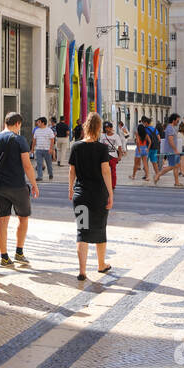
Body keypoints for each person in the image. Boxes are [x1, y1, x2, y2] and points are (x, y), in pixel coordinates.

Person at [0, 111, 38, 268]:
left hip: (0, 187)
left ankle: (4, 257)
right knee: (23, 218)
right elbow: (27, 165)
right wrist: (34, 184)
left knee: (2, 221)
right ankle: (19, 253)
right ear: (17, 124)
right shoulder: (19, 140)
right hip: (18, 186)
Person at [68, 112, 114, 281]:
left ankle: (82, 271)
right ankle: (101, 264)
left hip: (80, 195)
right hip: (98, 196)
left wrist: (70, 189)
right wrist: (110, 193)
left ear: (86, 127)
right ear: (99, 128)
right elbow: (106, 171)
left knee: (82, 231)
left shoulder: (76, 146)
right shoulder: (102, 148)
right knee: (100, 229)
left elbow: (71, 170)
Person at [154, 113, 183, 187]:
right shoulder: (170, 128)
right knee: (172, 166)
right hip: (171, 151)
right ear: (173, 120)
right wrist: (175, 150)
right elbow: (170, 141)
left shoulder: (171, 128)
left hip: (173, 150)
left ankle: (177, 182)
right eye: (177, 121)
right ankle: (158, 174)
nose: (178, 122)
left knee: (176, 166)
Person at [30, 115, 55, 182]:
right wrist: (32, 149)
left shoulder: (49, 130)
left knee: (48, 163)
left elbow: (52, 140)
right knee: (39, 163)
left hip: (47, 150)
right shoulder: (36, 131)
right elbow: (34, 140)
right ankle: (39, 176)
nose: (37, 123)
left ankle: (50, 174)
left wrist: (51, 149)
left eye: (38, 122)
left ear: (43, 123)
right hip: (38, 150)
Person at [100, 121, 122, 189]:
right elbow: (100, 145)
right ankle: (104, 184)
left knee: (113, 171)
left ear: (111, 128)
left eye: (108, 127)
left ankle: (113, 185)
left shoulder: (116, 136)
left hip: (113, 156)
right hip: (104, 156)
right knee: (103, 171)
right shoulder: (102, 136)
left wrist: (120, 156)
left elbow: (119, 146)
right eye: (106, 127)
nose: (107, 129)